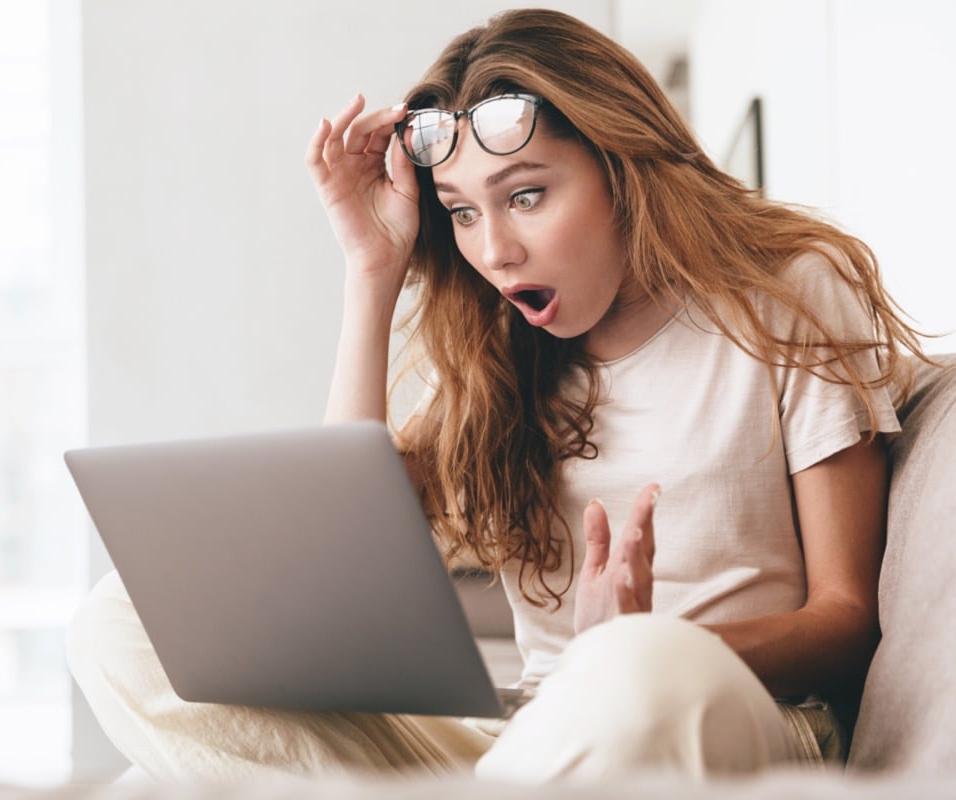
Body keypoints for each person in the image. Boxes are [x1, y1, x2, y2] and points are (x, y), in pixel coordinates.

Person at [67, 7, 932, 784]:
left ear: (621, 167)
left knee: (633, 678)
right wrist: (373, 271)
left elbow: (846, 618)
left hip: (723, 711)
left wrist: (634, 649)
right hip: (533, 741)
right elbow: (345, 569)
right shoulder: (500, 355)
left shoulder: (787, 291)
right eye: (463, 212)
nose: (496, 252)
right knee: (118, 624)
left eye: (526, 196)